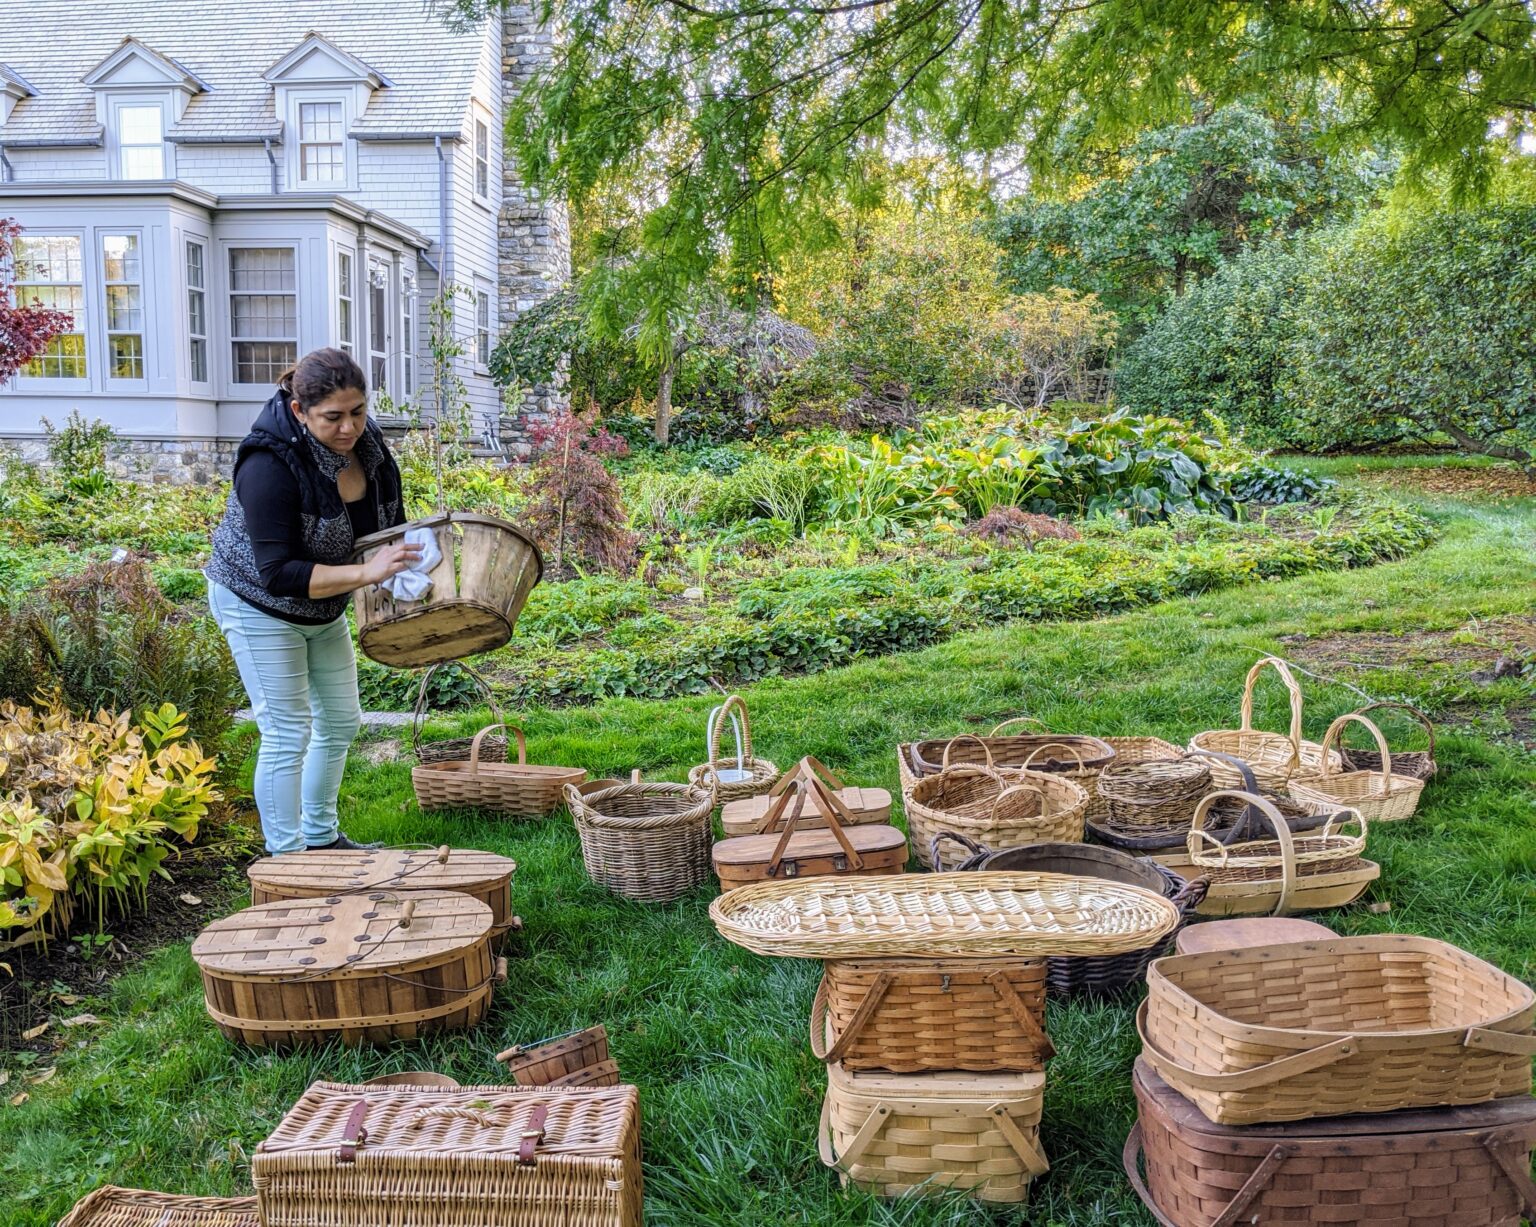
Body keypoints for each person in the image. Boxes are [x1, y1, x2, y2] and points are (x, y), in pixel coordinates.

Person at [205, 347, 421, 855]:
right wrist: (366, 572)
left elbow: (386, 525)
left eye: (358, 412)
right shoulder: (268, 464)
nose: (349, 428)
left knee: (343, 721)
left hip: (325, 602)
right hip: (258, 602)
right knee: (287, 731)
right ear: (300, 412)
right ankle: (288, 859)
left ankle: (322, 840)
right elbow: (278, 573)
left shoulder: (369, 447)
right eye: (333, 417)